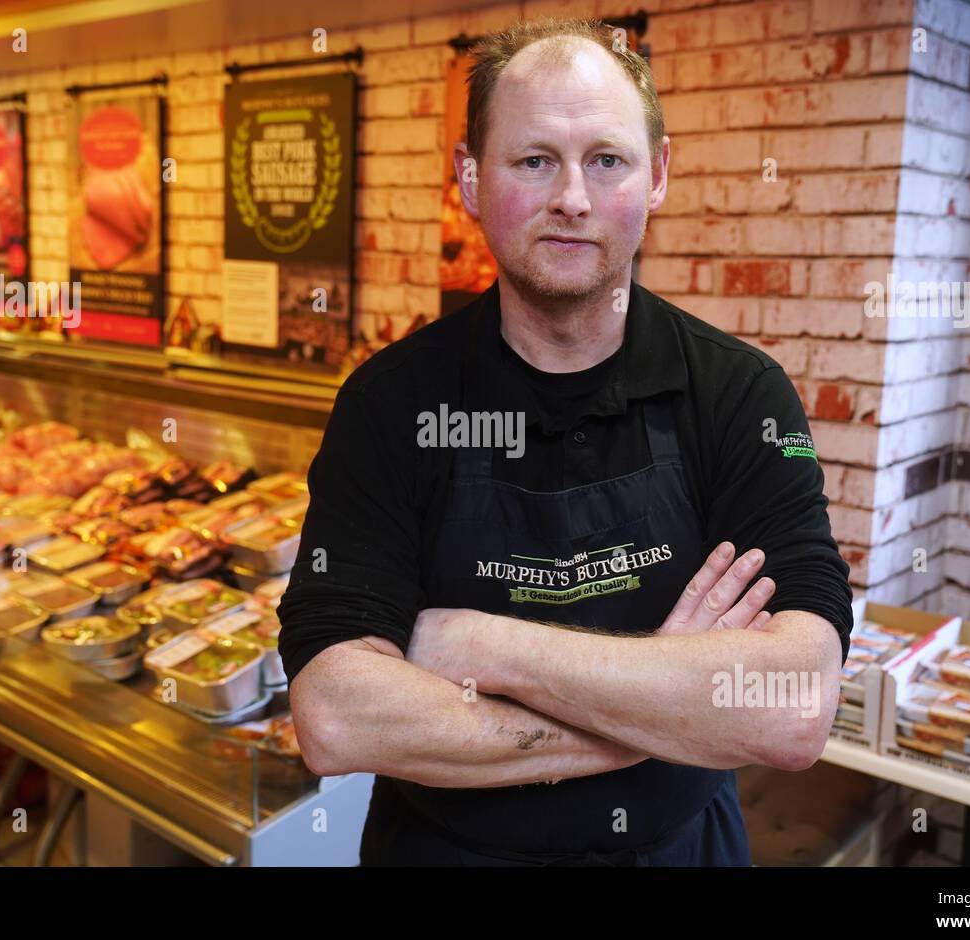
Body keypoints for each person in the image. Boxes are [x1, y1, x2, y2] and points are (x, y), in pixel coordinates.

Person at [279, 17, 853, 866]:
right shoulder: (389, 405)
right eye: (534, 160)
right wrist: (662, 708)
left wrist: (483, 646)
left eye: (608, 160)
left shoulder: (739, 395)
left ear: (658, 176)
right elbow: (336, 717)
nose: (573, 198)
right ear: (470, 180)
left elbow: (792, 705)